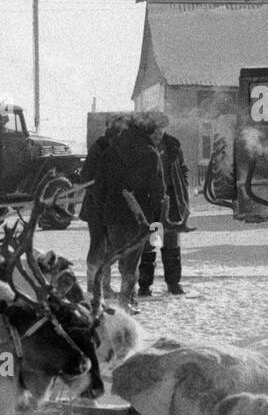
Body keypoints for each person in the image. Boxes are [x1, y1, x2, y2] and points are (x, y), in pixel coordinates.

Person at [99, 110, 166, 313]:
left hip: (113, 211)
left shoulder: (112, 150)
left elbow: (100, 184)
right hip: (139, 215)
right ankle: (126, 300)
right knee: (132, 262)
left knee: (115, 255)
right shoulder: (150, 152)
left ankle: (105, 296)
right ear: (149, 130)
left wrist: (104, 208)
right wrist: (157, 215)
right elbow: (158, 189)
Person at [137, 113, 191, 296]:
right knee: (151, 243)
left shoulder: (172, 146)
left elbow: (182, 169)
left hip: (173, 201)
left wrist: (183, 187)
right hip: (153, 203)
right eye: (156, 128)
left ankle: (173, 283)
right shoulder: (142, 147)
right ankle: (145, 285)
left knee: (172, 244)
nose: (159, 132)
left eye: (162, 128)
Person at [78, 114, 126, 300]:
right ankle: (92, 287)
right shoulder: (100, 147)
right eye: (120, 128)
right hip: (97, 207)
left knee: (109, 249)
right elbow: (87, 177)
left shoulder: (120, 148)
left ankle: (104, 286)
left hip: (111, 207)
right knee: (98, 247)